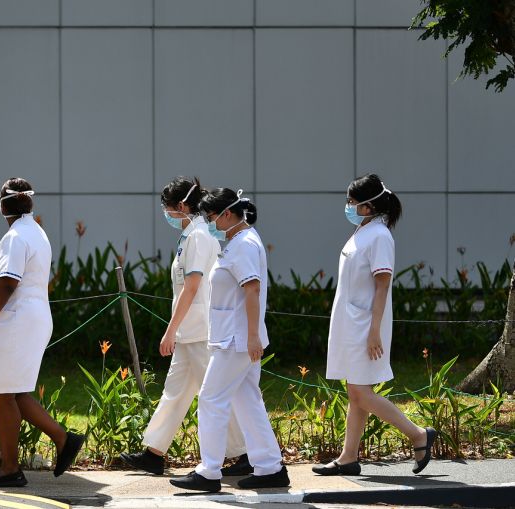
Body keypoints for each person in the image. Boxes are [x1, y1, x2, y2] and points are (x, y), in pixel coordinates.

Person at [120, 177, 249, 476]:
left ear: (180, 206)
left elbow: (191, 287)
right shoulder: (191, 236)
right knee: (175, 393)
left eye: (167, 208)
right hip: (189, 331)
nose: (166, 214)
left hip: (202, 331)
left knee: (214, 395)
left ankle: (245, 453)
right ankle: (154, 452)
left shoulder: (200, 237)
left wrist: (169, 331)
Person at [312, 174, 436, 477]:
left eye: (353, 202)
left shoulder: (380, 236)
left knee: (360, 392)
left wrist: (373, 331)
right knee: (356, 392)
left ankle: (419, 435)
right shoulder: (363, 230)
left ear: (368, 206)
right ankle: (348, 458)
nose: (348, 206)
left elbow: (382, 286)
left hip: (367, 324)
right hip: (352, 322)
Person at [0, 177, 84, 488]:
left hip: (16, 319)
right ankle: (62, 439)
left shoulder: (16, 237)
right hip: (32, 317)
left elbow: (7, 284)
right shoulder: (35, 232)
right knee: (14, 391)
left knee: (2, 393)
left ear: (3, 205)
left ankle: (10, 469)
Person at [170, 188, 289, 492]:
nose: (210, 223)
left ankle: (209, 471)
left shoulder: (245, 244)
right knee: (247, 401)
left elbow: (252, 290)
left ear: (227, 214)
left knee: (211, 399)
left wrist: (251, 336)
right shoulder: (239, 241)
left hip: (236, 340)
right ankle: (270, 467)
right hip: (234, 338)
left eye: (211, 217)